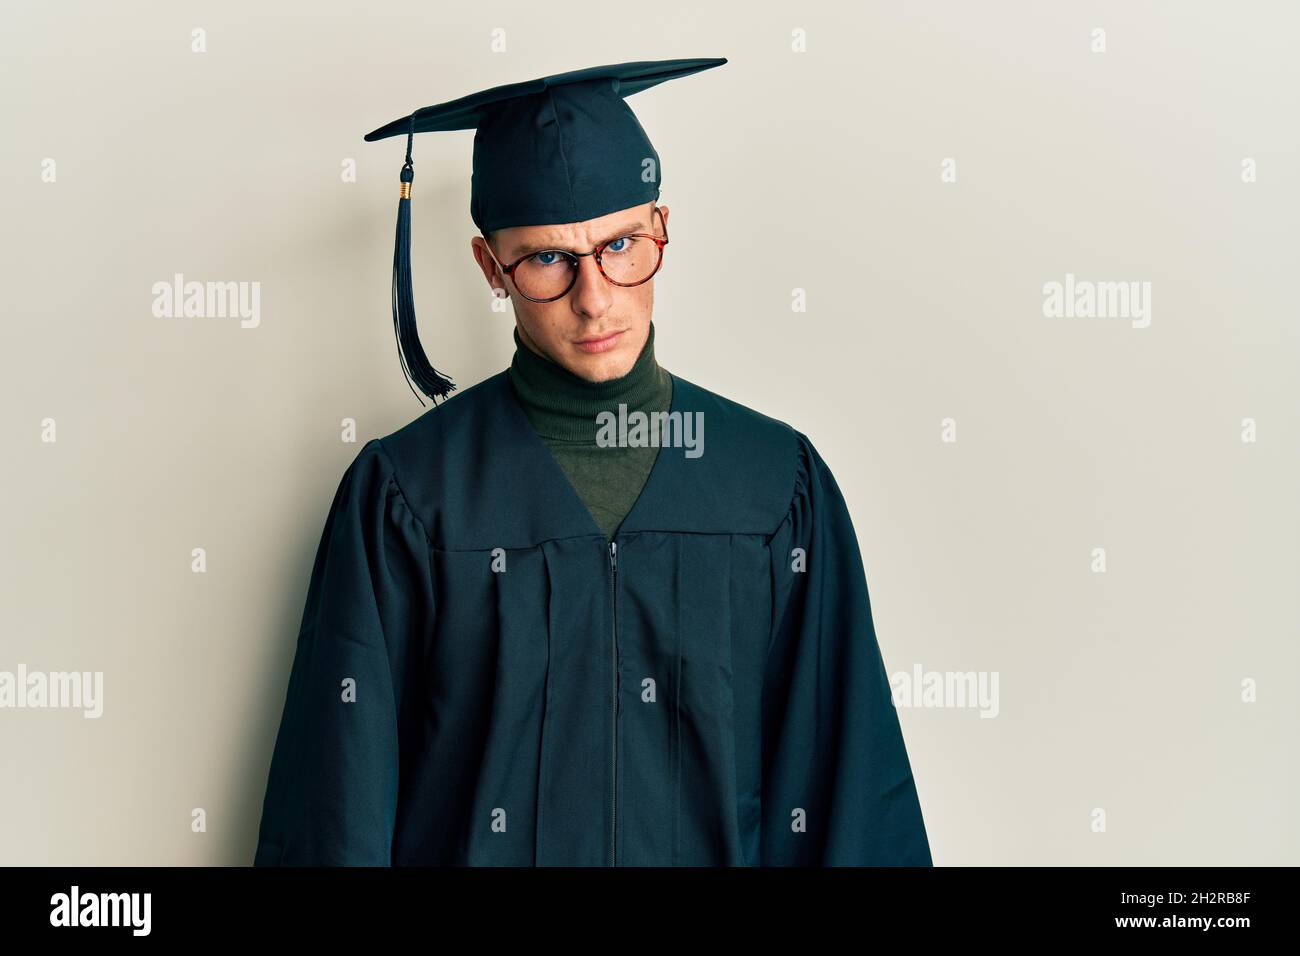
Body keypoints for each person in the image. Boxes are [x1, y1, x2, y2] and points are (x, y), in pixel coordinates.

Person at [253, 58, 933, 866]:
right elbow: (337, 802)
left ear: (662, 228)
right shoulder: (410, 496)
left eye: (620, 244)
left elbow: (848, 789)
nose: (596, 296)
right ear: (489, 267)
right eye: (547, 259)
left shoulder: (774, 485)